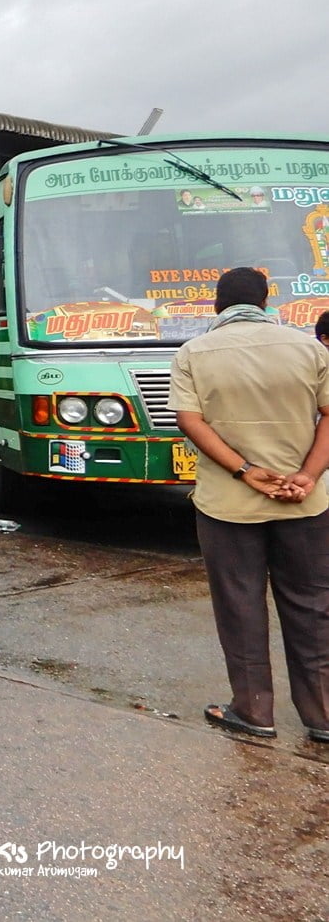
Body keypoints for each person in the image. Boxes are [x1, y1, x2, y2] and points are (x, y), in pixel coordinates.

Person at [171, 266, 329, 743]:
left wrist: (244, 470)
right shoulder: (309, 347)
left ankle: (254, 710)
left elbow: (189, 421)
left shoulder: (193, 353)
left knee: (240, 605)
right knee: (313, 605)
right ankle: (323, 715)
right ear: (265, 302)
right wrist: (308, 474)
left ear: (217, 305)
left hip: (228, 505)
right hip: (305, 503)